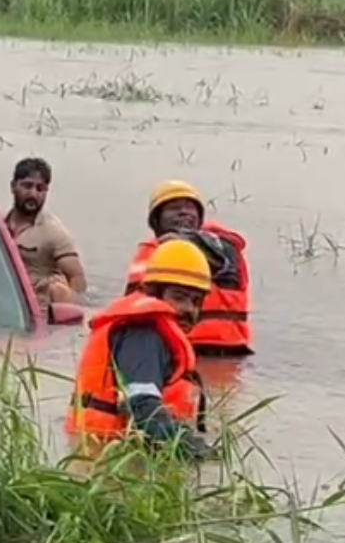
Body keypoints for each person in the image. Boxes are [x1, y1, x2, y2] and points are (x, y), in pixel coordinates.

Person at [67, 239, 216, 461]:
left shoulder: (151, 333)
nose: (189, 309)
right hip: (111, 459)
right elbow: (146, 412)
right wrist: (205, 455)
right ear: (154, 293)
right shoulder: (142, 335)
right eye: (179, 297)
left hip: (103, 452)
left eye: (196, 301)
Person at [124, 180, 252, 357]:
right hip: (234, 351)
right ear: (157, 218)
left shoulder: (154, 250)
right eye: (174, 208)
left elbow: (133, 306)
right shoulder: (229, 249)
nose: (183, 211)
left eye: (190, 207)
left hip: (185, 348)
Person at [5, 157, 87, 309]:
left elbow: (77, 279)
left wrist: (66, 310)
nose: (33, 194)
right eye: (27, 186)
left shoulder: (54, 233)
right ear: (13, 186)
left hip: (36, 314)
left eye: (40, 189)